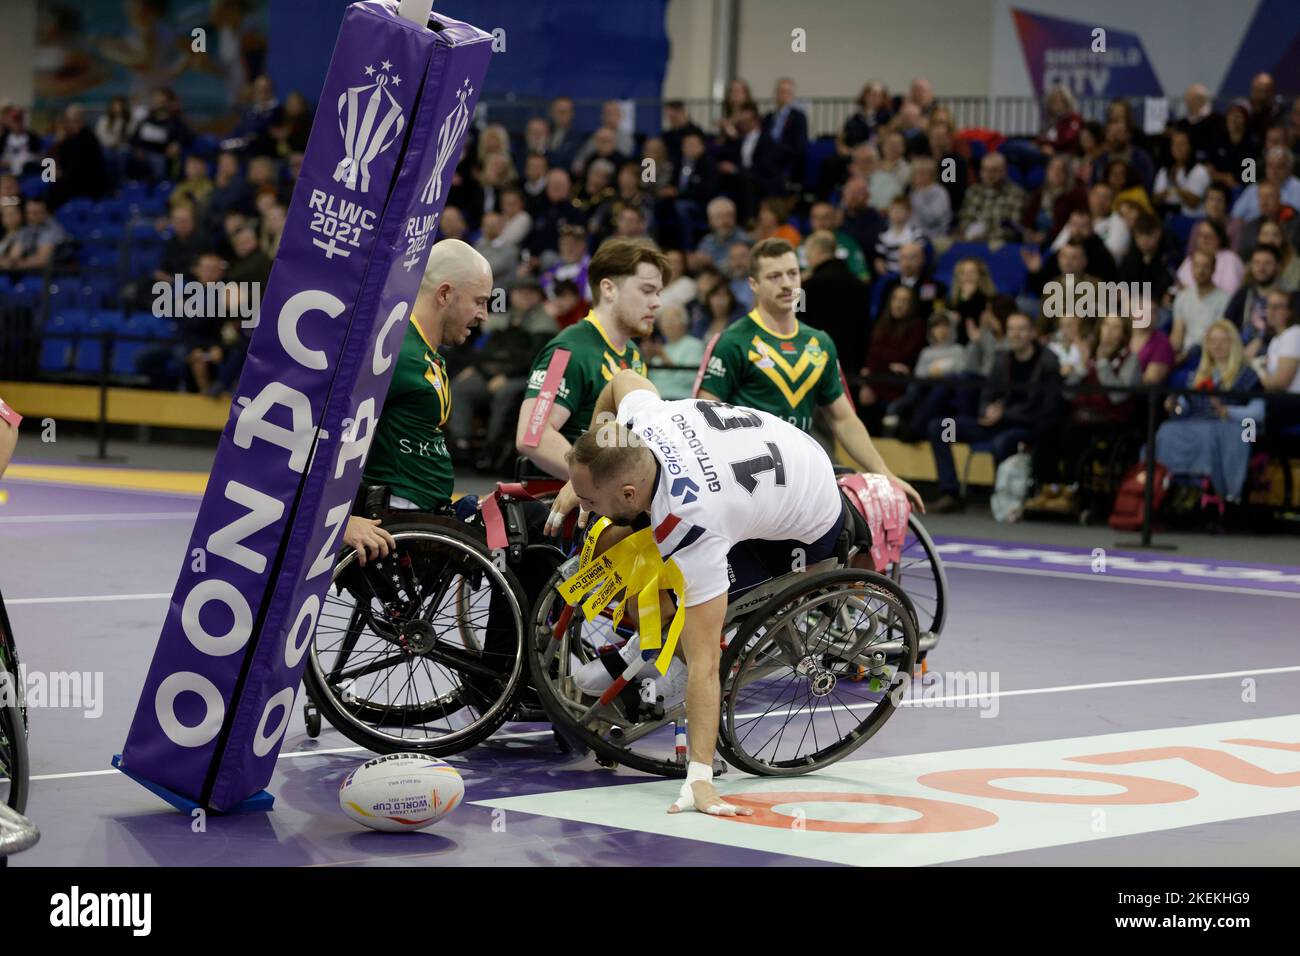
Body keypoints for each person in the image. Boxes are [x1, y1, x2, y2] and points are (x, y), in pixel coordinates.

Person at [544, 369, 856, 815]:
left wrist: (700, 780)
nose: (584, 507)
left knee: (666, 607)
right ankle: (640, 649)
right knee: (613, 544)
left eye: (589, 499)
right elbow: (622, 380)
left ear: (630, 492)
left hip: (801, 533)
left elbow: (709, 666)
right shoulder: (641, 423)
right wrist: (587, 476)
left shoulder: (692, 523)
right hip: (781, 464)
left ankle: (657, 664)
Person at [696, 237, 923, 510]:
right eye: (774, 276)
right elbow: (704, 417)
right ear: (754, 284)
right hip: (747, 481)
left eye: (792, 273)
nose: (786, 283)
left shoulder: (820, 343)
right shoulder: (733, 341)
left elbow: (843, 420)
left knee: (857, 532)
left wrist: (884, 473)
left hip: (800, 475)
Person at [341, 239, 493, 560]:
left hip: (427, 512)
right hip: (403, 521)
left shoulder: (425, 351)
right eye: (479, 301)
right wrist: (340, 522)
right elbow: (325, 429)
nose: (485, 315)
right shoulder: (394, 352)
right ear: (444, 294)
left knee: (512, 520)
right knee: (522, 531)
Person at [515, 238, 663, 478]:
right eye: (646, 290)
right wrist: (596, 484)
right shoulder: (566, 351)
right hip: (573, 500)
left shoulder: (634, 354)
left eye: (658, 292)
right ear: (609, 289)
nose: (657, 302)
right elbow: (533, 436)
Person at [927, 312, 1061, 512]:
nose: (1016, 334)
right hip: (991, 425)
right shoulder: (1002, 360)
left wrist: (1004, 413)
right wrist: (987, 410)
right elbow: (987, 395)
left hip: (1024, 428)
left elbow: (1046, 410)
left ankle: (1001, 498)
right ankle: (950, 493)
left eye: (1021, 329)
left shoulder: (1047, 361)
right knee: (941, 428)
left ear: (1032, 333)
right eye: (1012, 329)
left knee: (1002, 443)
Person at [450, 278, 556, 470]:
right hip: (493, 373)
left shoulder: (545, 323)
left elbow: (537, 359)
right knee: (461, 388)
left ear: (539, 297)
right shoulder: (504, 318)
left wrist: (505, 376)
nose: (524, 297)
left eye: (530, 293)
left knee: (505, 393)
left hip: (525, 376)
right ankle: (460, 443)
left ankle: (492, 449)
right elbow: (486, 351)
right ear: (513, 295)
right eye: (520, 292)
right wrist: (482, 371)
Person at [1154, 320, 1264, 503]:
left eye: (1223, 341)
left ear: (1233, 344)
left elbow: (1257, 414)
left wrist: (1226, 410)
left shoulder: (1248, 375)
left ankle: (1220, 492)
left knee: (1212, 434)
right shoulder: (1196, 375)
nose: (1217, 346)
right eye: (1212, 341)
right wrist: (1174, 407)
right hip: (1198, 420)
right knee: (1167, 429)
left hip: (1239, 425)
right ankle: (1173, 484)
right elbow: (1184, 408)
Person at [801, 229, 872, 367]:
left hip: (817, 361)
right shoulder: (859, 285)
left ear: (817, 250)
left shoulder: (808, 285)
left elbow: (795, 316)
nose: (807, 258)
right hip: (851, 362)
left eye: (808, 252)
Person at [1171, 249, 1231, 363]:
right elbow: (1177, 332)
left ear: (1214, 269)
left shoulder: (1225, 300)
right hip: (1184, 355)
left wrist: (1186, 355)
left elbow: (1217, 335)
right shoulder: (1182, 297)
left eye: (1205, 266)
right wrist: (1170, 355)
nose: (1200, 271)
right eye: (1196, 265)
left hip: (1209, 355)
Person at [1254, 289, 1300, 433]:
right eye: (1269, 306)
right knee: (1246, 411)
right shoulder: (1275, 340)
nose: (1272, 311)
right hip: (1278, 400)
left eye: (1278, 307)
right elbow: (1270, 381)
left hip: (1293, 401)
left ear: (1289, 311)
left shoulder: (1294, 334)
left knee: (1251, 412)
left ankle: (1257, 451)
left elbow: (1280, 383)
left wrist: (1259, 370)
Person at [954, 152, 1025, 244]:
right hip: (968, 240)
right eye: (985, 170)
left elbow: (1010, 230)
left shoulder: (1015, 194)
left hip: (996, 243)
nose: (989, 174)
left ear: (1004, 171)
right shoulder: (973, 191)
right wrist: (963, 234)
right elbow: (964, 219)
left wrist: (983, 238)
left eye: (994, 170)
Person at [646, 305, 704, 400]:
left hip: (680, 400)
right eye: (665, 320)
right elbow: (652, 380)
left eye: (673, 319)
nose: (669, 324)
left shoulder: (694, 345)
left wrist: (664, 357)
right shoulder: (661, 348)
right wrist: (647, 359)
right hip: (656, 399)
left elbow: (690, 379)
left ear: (684, 323)